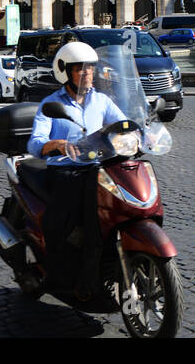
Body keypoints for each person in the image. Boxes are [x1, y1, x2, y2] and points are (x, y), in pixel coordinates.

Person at [27, 40, 126, 300]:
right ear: (66, 72)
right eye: (81, 69)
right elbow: (35, 142)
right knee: (71, 219)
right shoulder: (51, 104)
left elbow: (123, 124)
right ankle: (67, 275)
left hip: (96, 167)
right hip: (66, 171)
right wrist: (56, 144)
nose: (88, 74)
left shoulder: (101, 101)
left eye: (91, 69)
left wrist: (145, 133)